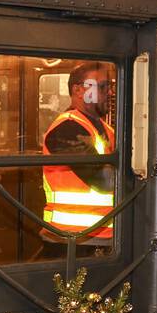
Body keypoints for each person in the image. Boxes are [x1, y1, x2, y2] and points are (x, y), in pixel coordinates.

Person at [41, 62, 117, 244]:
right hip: (73, 241)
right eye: (103, 86)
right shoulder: (66, 129)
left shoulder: (106, 130)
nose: (111, 92)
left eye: (111, 86)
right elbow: (106, 182)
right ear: (78, 90)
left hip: (101, 238)